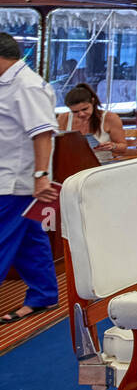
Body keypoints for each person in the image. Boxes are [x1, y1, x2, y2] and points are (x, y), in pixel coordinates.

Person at [0, 32, 59, 324]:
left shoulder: (27, 86)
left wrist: (41, 176)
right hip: (9, 178)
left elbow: (42, 132)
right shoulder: (9, 84)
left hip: (14, 182)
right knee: (28, 242)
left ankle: (42, 295)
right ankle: (43, 295)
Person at [57, 83, 129, 160]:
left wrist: (112, 146)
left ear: (93, 101)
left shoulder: (109, 118)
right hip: (72, 163)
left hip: (100, 164)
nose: (81, 114)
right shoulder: (63, 118)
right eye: (75, 112)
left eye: (85, 109)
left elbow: (123, 148)